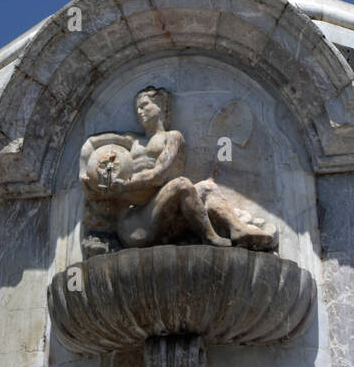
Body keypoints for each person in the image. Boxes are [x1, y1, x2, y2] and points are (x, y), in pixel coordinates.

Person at [80, 86, 276, 250]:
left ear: (161, 106)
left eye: (144, 105)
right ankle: (209, 237)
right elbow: (90, 143)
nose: (139, 112)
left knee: (206, 187)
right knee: (182, 184)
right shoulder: (132, 141)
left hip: (160, 215)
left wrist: (123, 186)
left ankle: (238, 229)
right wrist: (83, 172)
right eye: (136, 108)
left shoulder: (173, 138)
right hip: (133, 224)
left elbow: (158, 176)